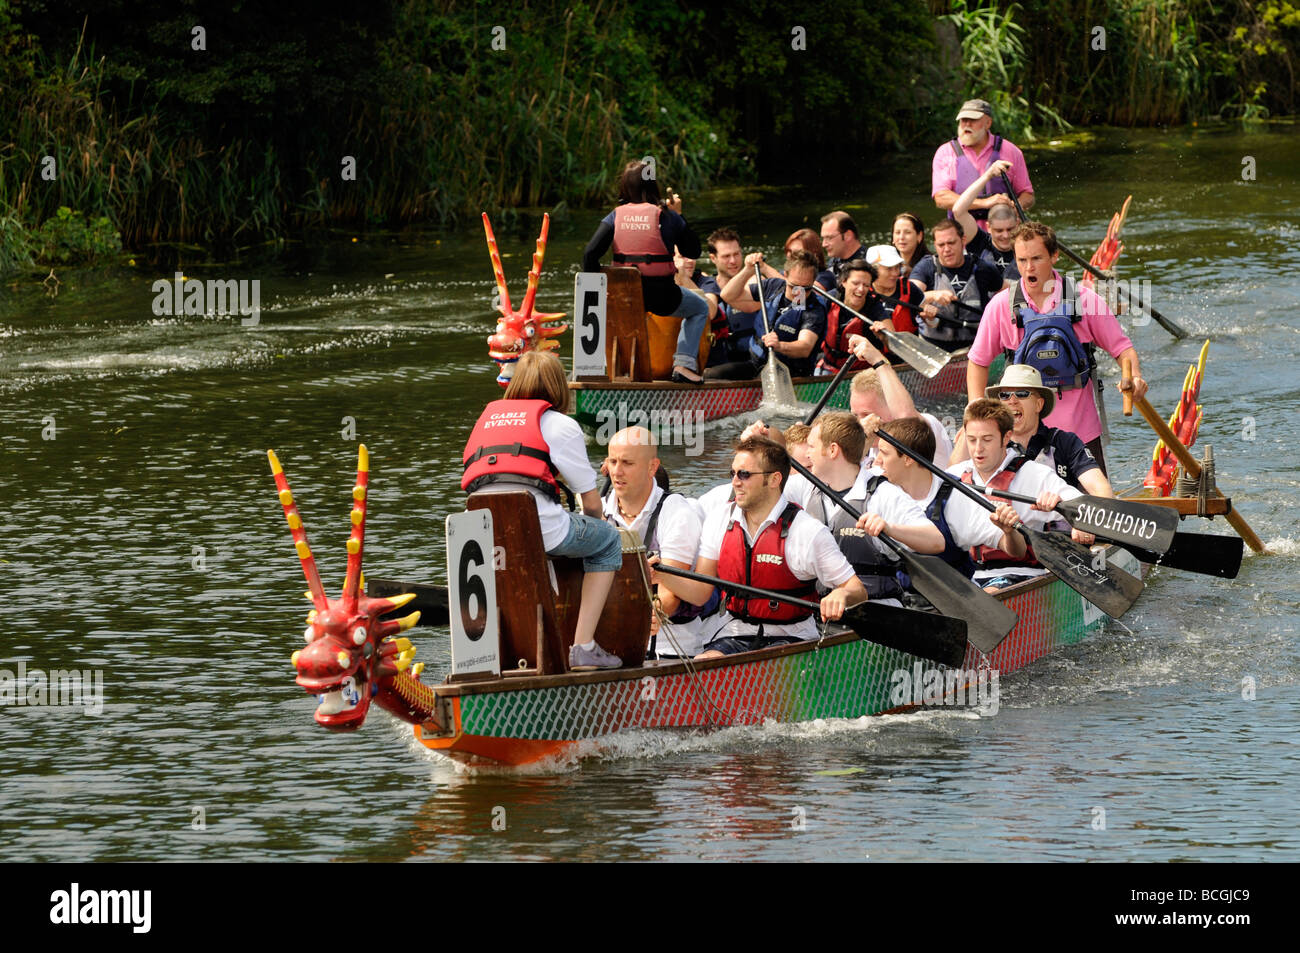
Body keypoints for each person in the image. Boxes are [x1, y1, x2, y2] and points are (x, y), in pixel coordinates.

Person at [461, 350, 624, 669]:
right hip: (539, 529)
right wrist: (595, 533)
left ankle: (483, 658)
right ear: (558, 388)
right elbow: (591, 503)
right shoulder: (561, 425)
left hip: (479, 533)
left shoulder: (487, 418)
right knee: (607, 542)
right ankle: (583, 646)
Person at [966, 221, 1148, 475]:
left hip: (1080, 435)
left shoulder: (1085, 300)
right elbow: (978, 361)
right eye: (1021, 260)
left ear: (1054, 256)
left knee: (1096, 511)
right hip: (1021, 437)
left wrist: (1135, 378)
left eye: (1036, 258)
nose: (1028, 268)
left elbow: (1122, 349)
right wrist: (976, 411)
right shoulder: (1000, 306)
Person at [694, 436, 868, 658]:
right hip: (732, 633)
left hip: (792, 637)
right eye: (733, 474)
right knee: (703, 663)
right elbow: (699, 593)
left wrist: (842, 594)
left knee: (763, 670)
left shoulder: (808, 531)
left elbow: (858, 591)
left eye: (744, 474)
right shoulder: (720, 518)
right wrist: (657, 575)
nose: (735, 482)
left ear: (775, 479)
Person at [782, 412, 943, 605]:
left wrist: (890, 529)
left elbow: (936, 541)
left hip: (876, 611)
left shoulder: (883, 494)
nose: (807, 454)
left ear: (833, 450)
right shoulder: (806, 486)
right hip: (823, 611)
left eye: (811, 446)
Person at [581, 160, 710, 383]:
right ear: (653, 187)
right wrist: (679, 215)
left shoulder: (615, 216)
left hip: (624, 298)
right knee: (699, 307)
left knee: (621, 317)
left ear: (625, 187)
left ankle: (615, 369)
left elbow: (589, 254)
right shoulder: (667, 216)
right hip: (663, 297)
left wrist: (601, 293)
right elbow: (694, 251)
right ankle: (683, 365)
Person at [945, 399, 1094, 591]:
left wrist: (1079, 523)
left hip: (1022, 574)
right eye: (972, 440)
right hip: (967, 574)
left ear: (1006, 437)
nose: (978, 449)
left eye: (987, 439)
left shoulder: (1034, 474)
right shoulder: (955, 475)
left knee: (987, 596)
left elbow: (1086, 509)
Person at [601, 427, 715, 659]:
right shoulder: (598, 510)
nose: (617, 471)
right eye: (612, 461)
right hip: (607, 638)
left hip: (670, 644)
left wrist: (653, 615)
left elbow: (670, 593)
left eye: (627, 463)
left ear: (652, 467)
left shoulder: (676, 512)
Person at [869, 416, 1023, 579]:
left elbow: (1018, 550)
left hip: (952, 598)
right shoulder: (878, 489)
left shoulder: (958, 498)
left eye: (884, 453)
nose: (877, 461)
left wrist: (1010, 533)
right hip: (896, 598)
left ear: (908, 459)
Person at [949, 364, 1114, 495]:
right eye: (1005, 395)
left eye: (1021, 393)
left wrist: (1084, 524)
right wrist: (969, 427)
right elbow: (949, 482)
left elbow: (1101, 490)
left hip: (1060, 532)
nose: (1012, 401)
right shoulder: (988, 443)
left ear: (1039, 404)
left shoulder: (1066, 443)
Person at [710, 249, 827, 380]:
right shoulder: (774, 286)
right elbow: (727, 295)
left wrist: (780, 346)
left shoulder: (814, 309)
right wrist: (748, 270)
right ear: (786, 275)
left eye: (806, 288)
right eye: (794, 286)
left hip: (789, 374)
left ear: (812, 282)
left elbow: (805, 347)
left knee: (762, 381)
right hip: (756, 364)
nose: (798, 293)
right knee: (710, 375)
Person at [844, 339, 954, 466]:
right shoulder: (871, 445)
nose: (861, 423)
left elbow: (906, 419)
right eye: (855, 416)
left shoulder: (926, 426)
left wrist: (878, 361)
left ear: (891, 406)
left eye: (866, 414)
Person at [931, 99, 1034, 228]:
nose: (967, 124)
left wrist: (1015, 207)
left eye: (973, 120)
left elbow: (1027, 196)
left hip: (1003, 234)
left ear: (988, 123)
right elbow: (941, 199)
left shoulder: (1012, 151)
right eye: (963, 120)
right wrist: (984, 203)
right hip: (963, 234)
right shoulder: (945, 153)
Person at [908, 219, 1003, 352]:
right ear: (935, 245)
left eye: (951, 243)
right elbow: (908, 294)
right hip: (932, 348)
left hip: (973, 348)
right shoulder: (925, 267)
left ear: (963, 240)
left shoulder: (982, 268)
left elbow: (1006, 291)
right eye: (941, 245)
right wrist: (932, 295)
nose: (947, 249)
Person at [696, 228, 759, 367]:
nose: (733, 261)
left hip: (750, 362)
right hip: (718, 362)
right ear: (713, 258)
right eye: (726, 256)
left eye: (736, 254)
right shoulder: (706, 288)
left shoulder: (754, 281)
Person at [952, 158, 1020, 284]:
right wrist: (988, 175)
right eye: (999, 230)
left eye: (1010, 229)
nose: (1005, 235)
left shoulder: (1026, 245)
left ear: (1018, 224)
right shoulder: (980, 242)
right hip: (987, 302)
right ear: (988, 227)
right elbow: (958, 210)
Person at [817, 259, 885, 375]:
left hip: (863, 373)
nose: (861, 289)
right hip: (829, 367)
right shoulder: (830, 299)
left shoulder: (874, 306)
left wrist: (884, 334)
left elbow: (890, 332)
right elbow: (805, 311)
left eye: (866, 285)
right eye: (855, 283)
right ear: (843, 282)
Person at [865, 244, 921, 335]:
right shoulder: (862, 292)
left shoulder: (909, 288)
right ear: (872, 270)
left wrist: (931, 319)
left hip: (905, 347)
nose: (895, 273)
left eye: (897, 267)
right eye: (889, 268)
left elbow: (932, 324)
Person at [891, 212, 929, 281]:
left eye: (907, 232)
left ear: (919, 236)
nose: (901, 237)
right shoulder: (886, 264)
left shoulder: (930, 265)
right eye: (897, 232)